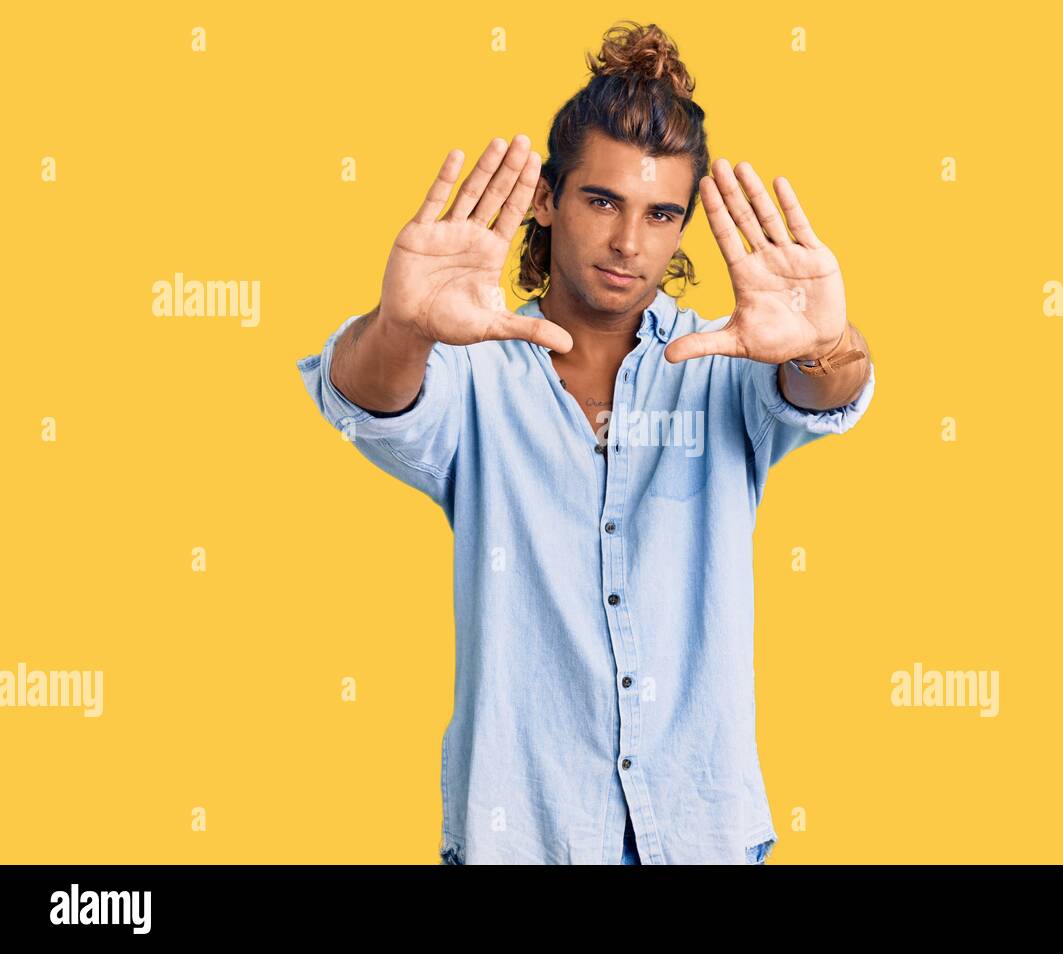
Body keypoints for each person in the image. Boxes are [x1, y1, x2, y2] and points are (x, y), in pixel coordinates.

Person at [295, 20, 874, 864]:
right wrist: (402, 324)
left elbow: (828, 391)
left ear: (683, 227)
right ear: (545, 197)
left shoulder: (724, 368)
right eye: (602, 201)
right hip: (522, 832)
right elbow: (364, 394)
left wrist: (823, 342)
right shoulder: (476, 372)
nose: (629, 244)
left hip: (703, 832)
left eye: (660, 214)